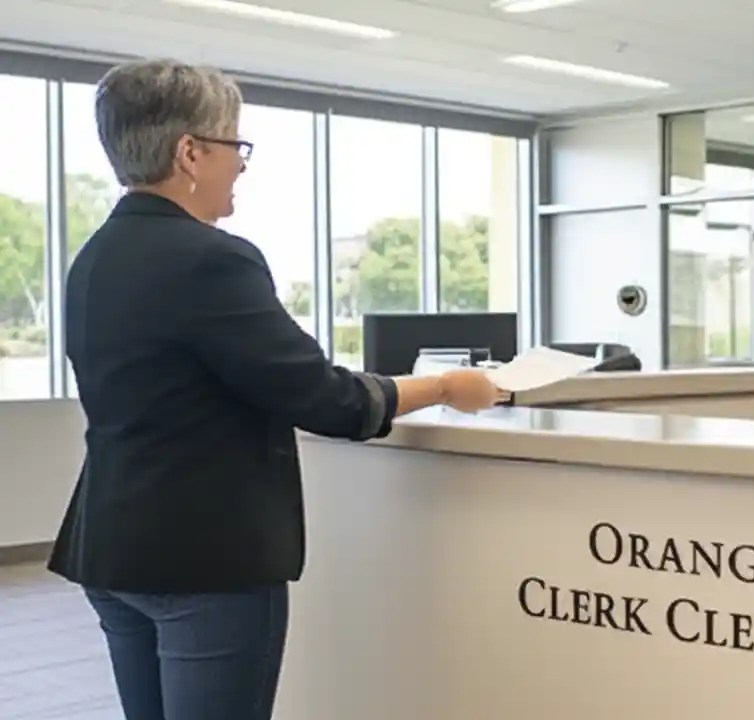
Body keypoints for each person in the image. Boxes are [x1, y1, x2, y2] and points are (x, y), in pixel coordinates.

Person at [47, 59, 501, 720]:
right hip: (203, 560)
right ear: (191, 152)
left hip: (114, 547)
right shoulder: (212, 258)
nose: (243, 164)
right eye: (236, 145)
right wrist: (445, 386)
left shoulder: (95, 257)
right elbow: (328, 400)